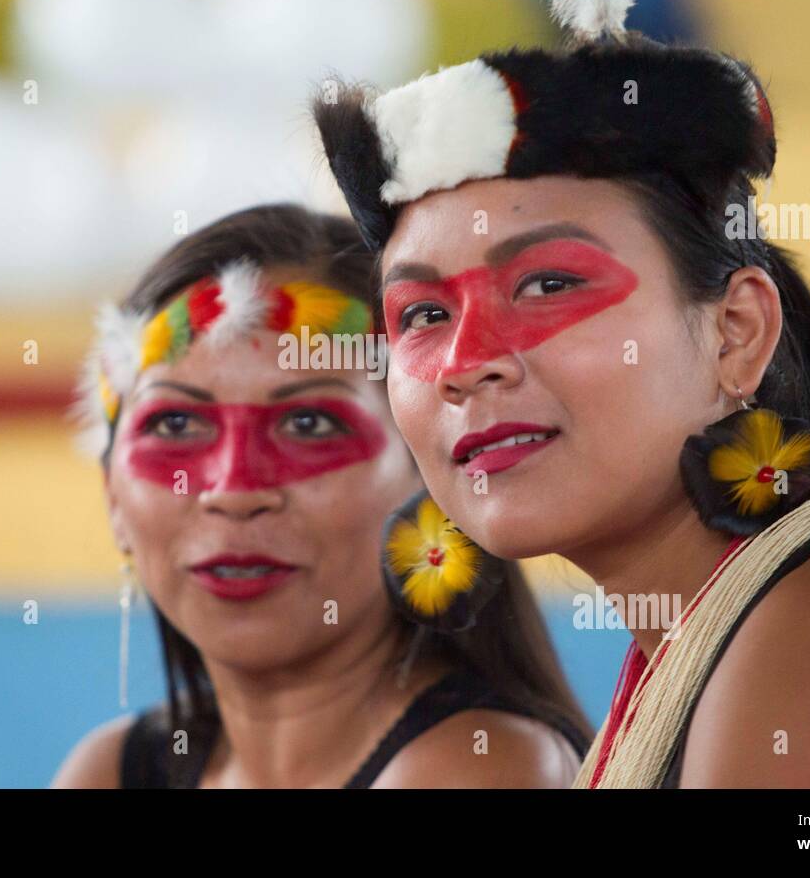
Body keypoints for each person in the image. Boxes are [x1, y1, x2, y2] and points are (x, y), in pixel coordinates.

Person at [313, 0, 810, 787]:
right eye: (424, 313)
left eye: (549, 285)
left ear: (735, 333)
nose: (466, 361)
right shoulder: (725, 626)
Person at [52, 204, 591, 788]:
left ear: (433, 478)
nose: (234, 490)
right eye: (176, 425)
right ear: (112, 496)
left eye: (308, 424)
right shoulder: (109, 770)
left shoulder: (481, 767)